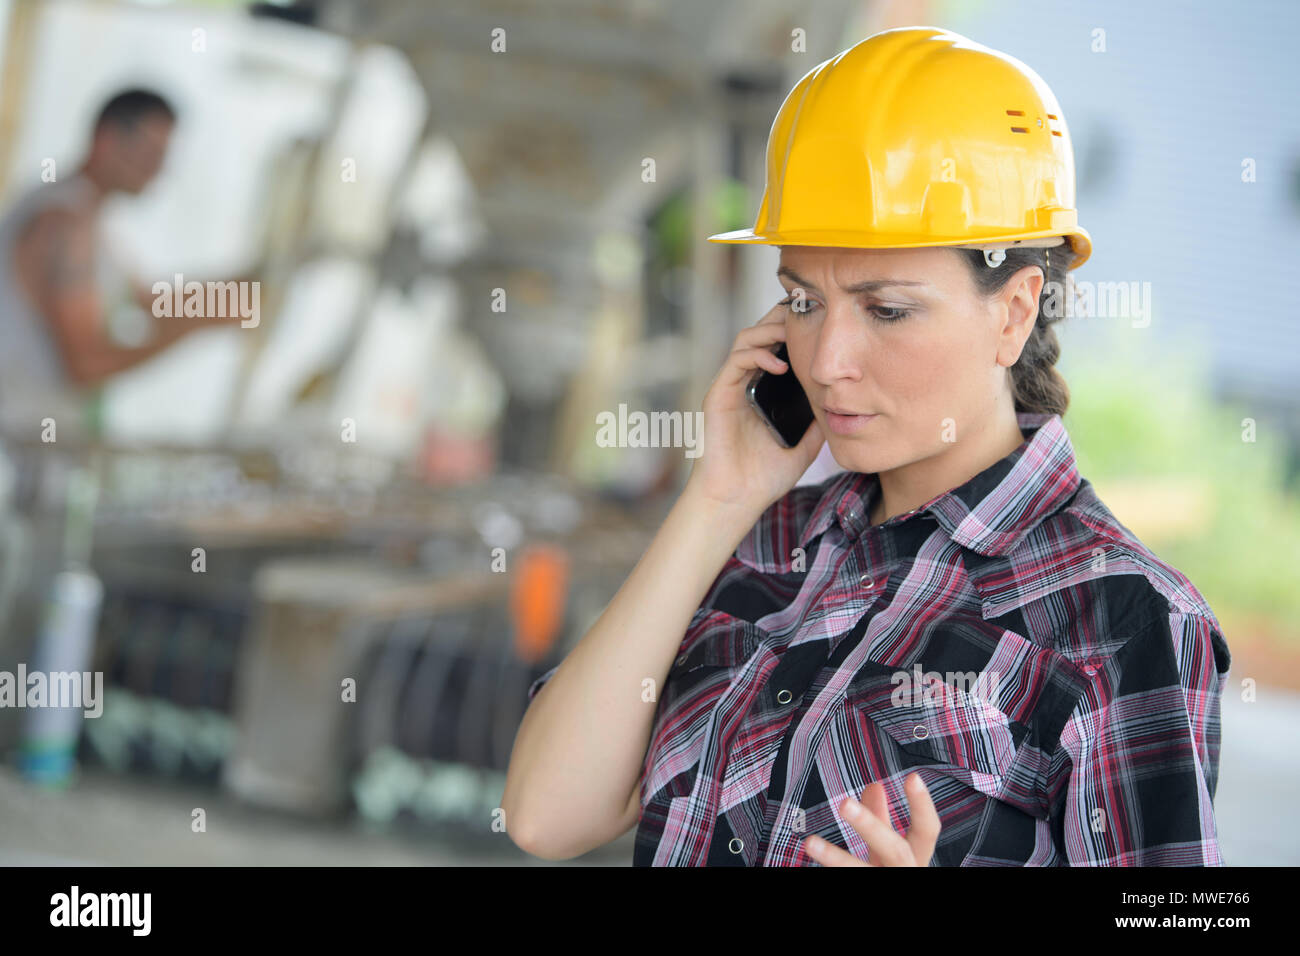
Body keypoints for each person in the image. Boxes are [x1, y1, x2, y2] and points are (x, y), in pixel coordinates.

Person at [502, 26, 1231, 866]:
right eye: (803, 301)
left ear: (1014, 311)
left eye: (886, 309)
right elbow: (544, 816)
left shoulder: (1123, 619)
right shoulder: (763, 540)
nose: (826, 362)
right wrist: (717, 501)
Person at [0, 87, 247, 437]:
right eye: (150, 153)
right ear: (106, 139)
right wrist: (193, 327)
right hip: (20, 442)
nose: (157, 170)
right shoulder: (64, 223)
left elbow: (147, 300)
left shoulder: (87, 218)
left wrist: (238, 293)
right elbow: (86, 364)